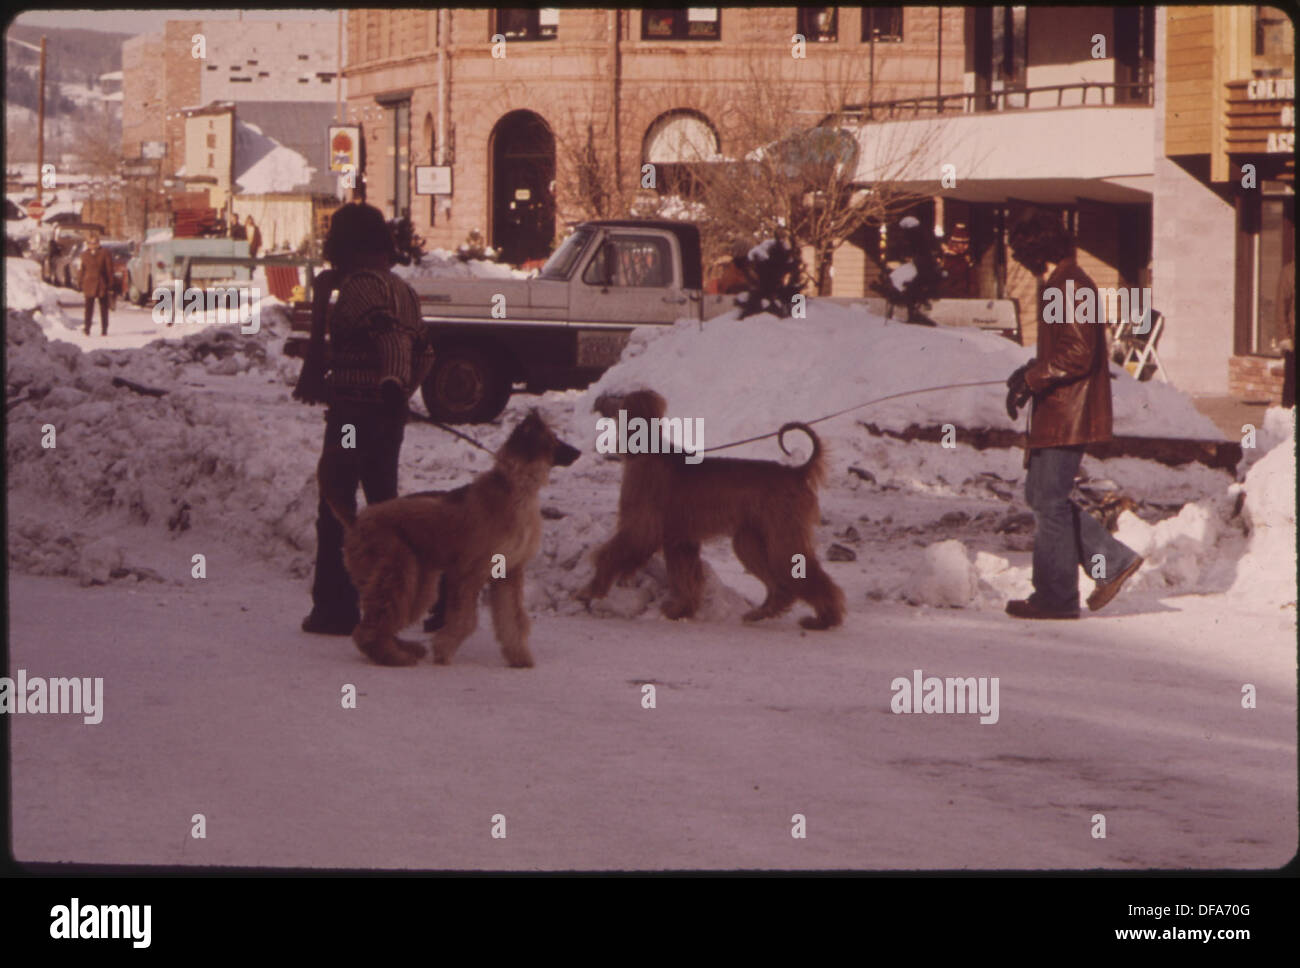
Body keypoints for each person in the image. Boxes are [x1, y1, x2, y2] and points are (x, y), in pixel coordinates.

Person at [293, 202, 435, 635]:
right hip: (386, 423)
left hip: (354, 419)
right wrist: (402, 392)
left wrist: (389, 383)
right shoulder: (402, 289)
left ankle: (336, 607)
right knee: (385, 510)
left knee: (337, 504)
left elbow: (388, 337)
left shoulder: (358, 290)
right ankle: (399, 601)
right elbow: (425, 350)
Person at [1003, 212, 1143, 620]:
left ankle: (1058, 596)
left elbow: (1079, 354)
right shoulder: (1060, 284)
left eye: (1021, 251)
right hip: (1057, 411)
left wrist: (1034, 378)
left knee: (1049, 500)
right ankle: (1107, 564)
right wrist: (1027, 374)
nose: (1020, 259)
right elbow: (1063, 349)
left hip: (1069, 413)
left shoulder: (1070, 285)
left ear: (1033, 249)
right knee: (1042, 497)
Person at [78, 233, 114, 336]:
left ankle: (104, 329)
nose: (93, 245)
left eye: (95, 243)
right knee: (88, 308)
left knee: (103, 308)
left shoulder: (104, 253)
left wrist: (110, 283)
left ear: (98, 243)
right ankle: (87, 328)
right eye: (90, 243)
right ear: (87, 244)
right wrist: (80, 282)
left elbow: (109, 269)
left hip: (101, 283)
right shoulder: (84, 254)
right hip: (89, 283)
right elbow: (82, 270)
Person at [940, 222, 975, 298]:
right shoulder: (948, 258)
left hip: (963, 294)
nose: (964, 246)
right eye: (961, 243)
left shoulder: (967, 259)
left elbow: (971, 278)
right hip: (949, 294)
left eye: (965, 243)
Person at [1277, 259, 1294, 408]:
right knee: (1292, 384)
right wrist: (1284, 337)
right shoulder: (1289, 272)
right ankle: (1288, 422)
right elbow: (1281, 307)